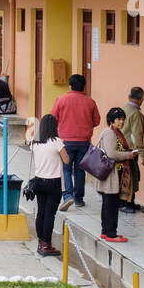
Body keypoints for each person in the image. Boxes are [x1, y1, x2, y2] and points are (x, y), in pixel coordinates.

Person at [52, 74, 100, 211]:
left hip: (65, 141)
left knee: (65, 169)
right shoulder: (90, 102)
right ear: (84, 86)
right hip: (84, 141)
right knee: (80, 170)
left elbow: (53, 117)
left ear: (70, 85)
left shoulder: (61, 100)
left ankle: (68, 196)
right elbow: (96, 121)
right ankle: (79, 199)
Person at [93, 107, 140, 243]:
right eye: (119, 119)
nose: (121, 122)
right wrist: (129, 155)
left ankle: (105, 231)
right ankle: (111, 233)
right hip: (110, 175)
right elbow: (111, 154)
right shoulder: (110, 133)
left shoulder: (115, 132)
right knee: (111, 204)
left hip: (113, 173)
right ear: (111, 120)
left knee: (109, 203)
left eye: (123, 119)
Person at [25, 114, 69, 256]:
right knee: (50, 214)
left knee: (41, 212)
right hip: (53, 182)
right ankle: (46, 245)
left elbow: (34, 158)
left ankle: (40, 242)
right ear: (54, 127)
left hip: (39, 180)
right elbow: (67, 160)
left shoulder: (34, 142)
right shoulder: (57, 142)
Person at [120, 87, 144, 213]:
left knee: (125, 176)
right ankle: (126, 203)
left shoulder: (124, 110)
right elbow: (137, 136)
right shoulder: (136, 114)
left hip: (121, 149)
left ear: (128, 96)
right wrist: (143, 154)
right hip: (131, 150)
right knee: (131, 176)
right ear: (141, 99)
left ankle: (129, 202)